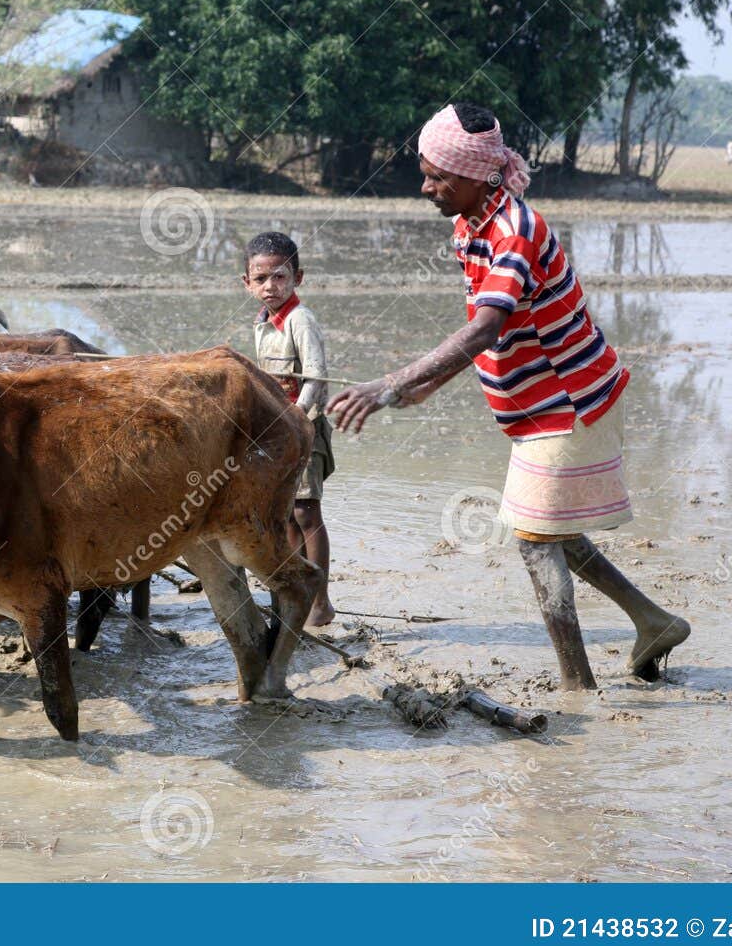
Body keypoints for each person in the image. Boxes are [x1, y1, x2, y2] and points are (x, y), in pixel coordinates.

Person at [327, 102, 690, 688]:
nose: (426, 187)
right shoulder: (469, 225)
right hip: (537, 406)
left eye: (437, 176)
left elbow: (486, 328)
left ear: (482, 175)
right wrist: (428, 386)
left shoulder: (515, 231)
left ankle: (578, 683)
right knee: (552, 530)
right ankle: (651, 620)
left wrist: (390, 384)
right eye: (425, 172)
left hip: (569, 402)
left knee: (533, 538)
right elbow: (482, 322)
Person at [243, 231, 336, 626]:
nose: (270, 286)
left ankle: (320, 601)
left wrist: (295, 418)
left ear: (298, 277)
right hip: (278, 432)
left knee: (306, 512)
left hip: (304, 428)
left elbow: (316, 379)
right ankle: (296, 590)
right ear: (246, 284)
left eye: (279, 277)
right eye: (261, 279)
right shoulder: (264, 322)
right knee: (285, 515)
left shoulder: (300, 319)